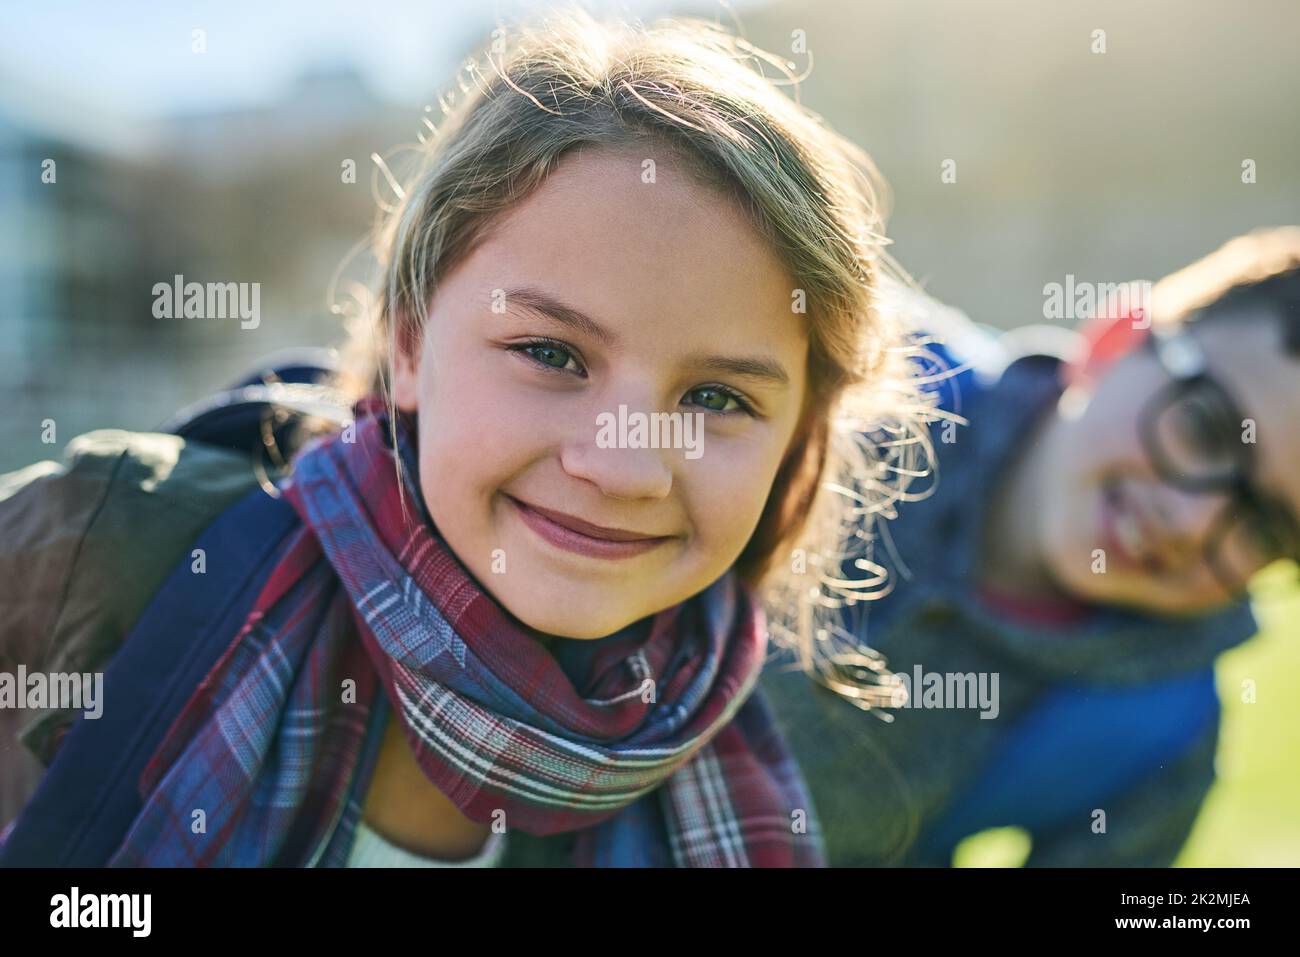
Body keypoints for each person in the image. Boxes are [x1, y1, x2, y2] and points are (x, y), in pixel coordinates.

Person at [0, 9, 936, 867]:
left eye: (717, 397)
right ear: (409, 343)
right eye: (550, 353)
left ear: (795, 445)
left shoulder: (790, 730)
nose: (619, 465)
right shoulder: (104, 546)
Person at [761, 226, 1300, 866]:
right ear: (1115, 341)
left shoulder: (1154, 727)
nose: (1192, 522)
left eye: (1266, 524)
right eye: (1205, 429)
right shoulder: (847, 370)